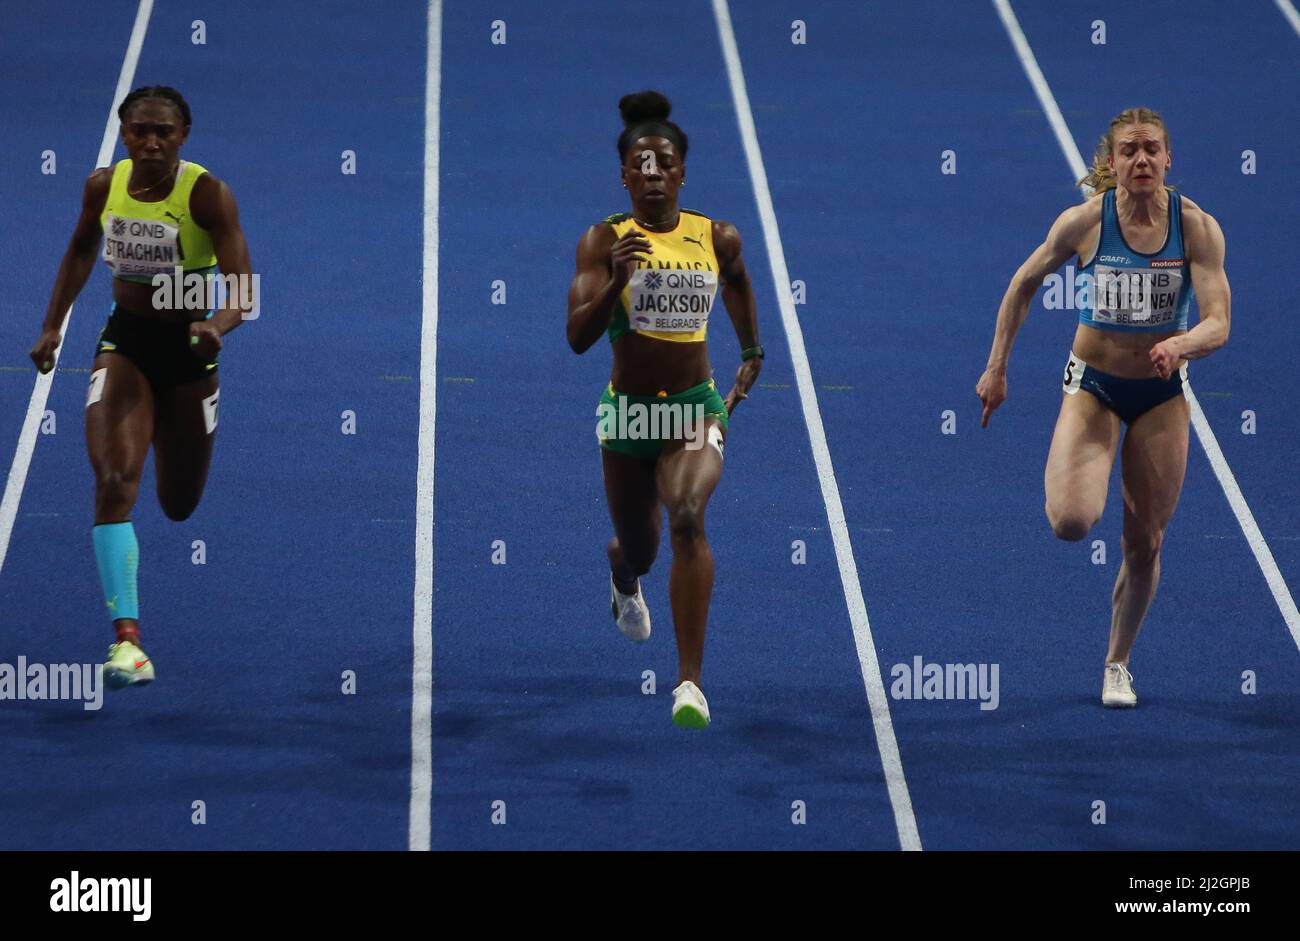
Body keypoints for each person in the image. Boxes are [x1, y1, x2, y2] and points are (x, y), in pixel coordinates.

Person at [977, 107, 1230, 707]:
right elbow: (1022, 284)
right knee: (1070, 521)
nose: (1141, 160)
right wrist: (996, 368)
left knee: (1145, 542)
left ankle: (1117, 663)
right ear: (1111, 163)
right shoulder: (1086, 224)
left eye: (1152, 150)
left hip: (1162, 395)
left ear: (1169, 160)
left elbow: (1219, 323)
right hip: (1094, 386)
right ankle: (1085, 462)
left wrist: (1180, 343)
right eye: (1129, 151)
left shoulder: (1196, 229)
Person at [29, 86, 254, 690]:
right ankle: (128, 643)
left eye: (164, 132)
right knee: (112, 481)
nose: (151, 141)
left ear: (184, 136)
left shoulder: (207, 195)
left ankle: (165, 428)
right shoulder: (104, 187)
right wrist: (53, 326)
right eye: (139, 131)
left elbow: (245, 288)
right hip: (124, 346)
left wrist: (217, 325)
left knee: (179, 504)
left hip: (189, 357)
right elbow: (80, 248)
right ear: (123, 134)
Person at [566, 91, 762, 728]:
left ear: (681, 172)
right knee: (644, 549)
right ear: (624, 175)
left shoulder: (715, 235)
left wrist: (752, 349)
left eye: (665, 164)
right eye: (640, 165)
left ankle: (689, 683)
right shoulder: (603, 242)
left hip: (693, 410)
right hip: (627, 416)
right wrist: (618, 283)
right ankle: (623, 572)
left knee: (686, 516)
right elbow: (576, 338)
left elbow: (735, 279)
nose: (652, 176)